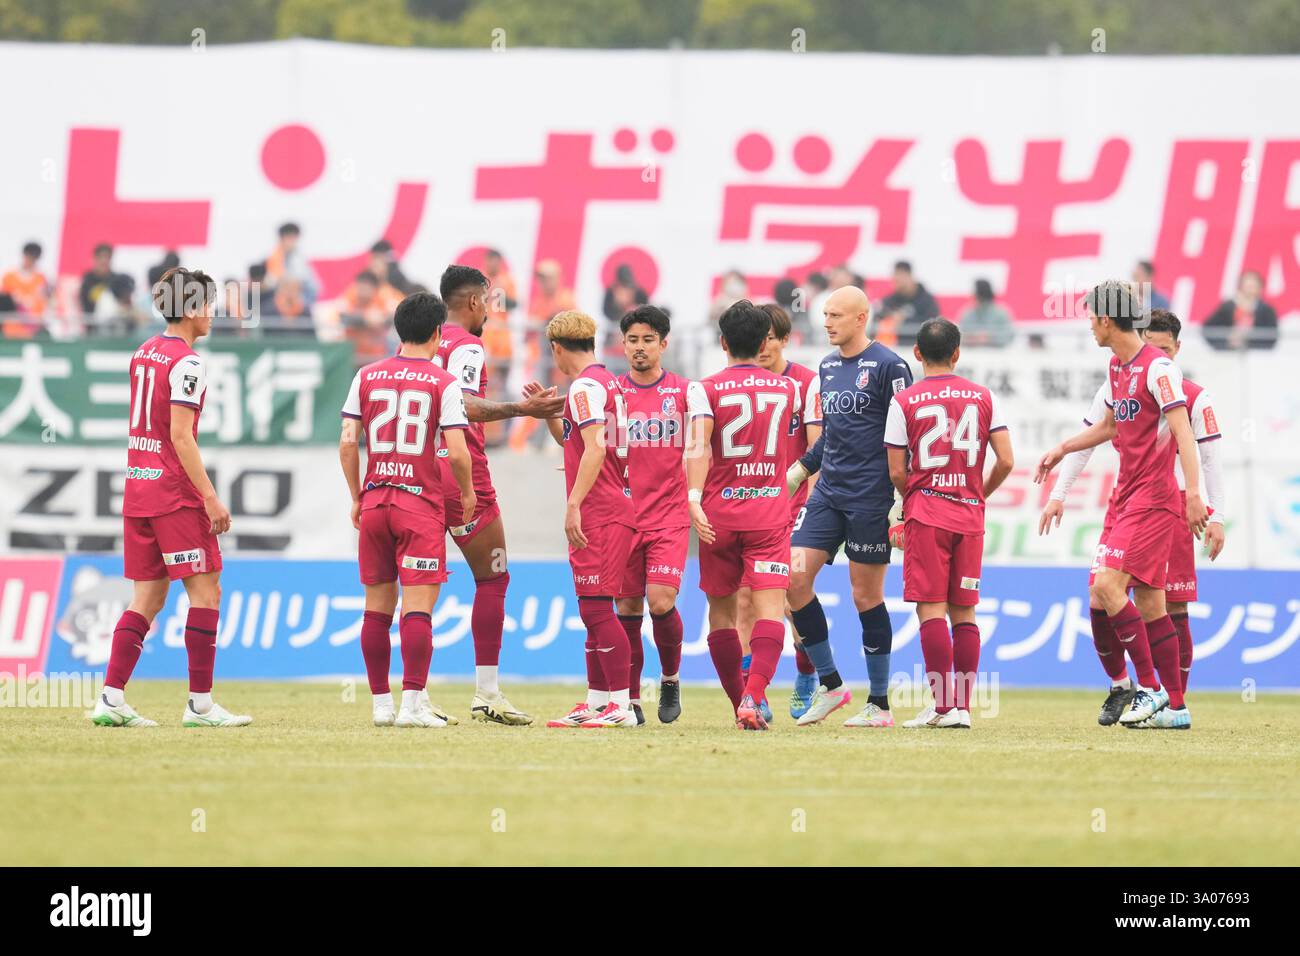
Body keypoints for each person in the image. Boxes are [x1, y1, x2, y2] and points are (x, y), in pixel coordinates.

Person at [1038, 309, 1225, 727]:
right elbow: (1105, 427)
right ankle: (1163, 702)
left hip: (1161, 501)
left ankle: (1153, 691)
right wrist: (1062, 455)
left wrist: (1204, 503)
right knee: (1134, 600)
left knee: (1133, 593)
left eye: (1092, 318)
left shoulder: (1165, 376)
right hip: (1126, 497)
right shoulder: (1118, 370)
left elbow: (1192, 443)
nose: (1088, 326)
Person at [91, 267, 251, 729]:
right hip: (173, 493)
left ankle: (111, 697)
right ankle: (200, 705)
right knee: (206, 591)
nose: (214, 313)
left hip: (138, 487)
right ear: (193, 308)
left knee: (147, 598)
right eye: (210, 303)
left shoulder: (144, 352)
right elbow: (181, 437)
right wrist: (211, 497)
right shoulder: (190, 362)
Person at [435, 265, 567, 724]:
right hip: (459, 472)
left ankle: (407, 699)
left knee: (414, 586)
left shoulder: (417, 344)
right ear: (474, 303)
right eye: (489, 303)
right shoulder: (468, 346)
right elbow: (463, 404)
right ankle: (486, 692)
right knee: (493, 579)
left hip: (413, 473)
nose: (492, 312)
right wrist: (521, 408)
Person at [339, 292, 476, 728]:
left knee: (376, 608)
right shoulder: (443, 382)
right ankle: (413, 704)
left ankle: (381, 705)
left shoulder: (367, 375)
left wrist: (357, 496)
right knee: (417, 607)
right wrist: (468, 493)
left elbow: (347, 441)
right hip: (418, 504)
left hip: (376, 500)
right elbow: (457, 452)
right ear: (438, 333)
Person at [785, 286, 913, 728]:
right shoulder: (827, 366)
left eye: (836, 315)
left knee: (865, 595)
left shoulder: (890, 366)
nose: (826, 322)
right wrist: (798, 472)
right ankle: (832, 685)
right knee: (793, 576)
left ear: (861, 318)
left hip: (870, 498)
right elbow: (832, 437)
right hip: (828, 494)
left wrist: (901, 502)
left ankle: (879, 704)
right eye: (824, 314)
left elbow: (905, 437)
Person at [884, 318, 1014, 728]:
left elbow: (896, 471)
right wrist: (978, 493)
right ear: (957, 353)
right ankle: (961, 707)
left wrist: (912, 501)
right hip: (969, 516)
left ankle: (942, 706)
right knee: (965, 613)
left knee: (931, 611)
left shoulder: (903, 401)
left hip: (927, 513)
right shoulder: (983, 397)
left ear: (917, 353)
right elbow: (1007, 460)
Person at [686, 300, 799, 730]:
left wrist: (694, 498)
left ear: (723, 342)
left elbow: (697, 446)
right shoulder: (787, 389)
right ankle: (755, 696)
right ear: (763, 341)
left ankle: (740, 703)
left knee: (722, 612)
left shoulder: (705, 388)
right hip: (770, 513)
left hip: (718, 516)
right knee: (770, 610)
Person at [537, 310, 638, 728]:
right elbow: (577, 440)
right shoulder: (608, 382)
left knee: (598, 609)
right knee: (592, 608)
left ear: (557, 349)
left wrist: (574, 503)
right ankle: (598, 702)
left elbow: (595, 448)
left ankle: (621, 706)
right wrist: (544, 413)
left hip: (601, 510)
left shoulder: (583, 386)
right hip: (611, 506)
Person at [737, 302, 822, 722]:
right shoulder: (737, 385)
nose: (764, 345)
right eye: (759, 338)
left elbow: (816, 450)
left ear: (784, 339)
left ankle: (806, 670)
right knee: (744, 602)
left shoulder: (805, 384)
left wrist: (813, 504)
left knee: (789, 599)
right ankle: (757, 692)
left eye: (771, 337)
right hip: (746, 508)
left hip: (795, 508)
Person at [613, 305, 689, 725]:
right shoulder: (611, 394)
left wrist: (697, 497)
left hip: (669, 516)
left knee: (660, 602)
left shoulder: (682, 392)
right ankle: (629, 699)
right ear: (622, 345)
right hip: (623, 516)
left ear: (663, 344)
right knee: (627, 608)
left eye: (647, 340)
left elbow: (702, 448)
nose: (639, 348)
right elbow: (590, 447)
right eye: (632, 340)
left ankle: (671, 678)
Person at [1203, 270, 1278, 350]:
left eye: (1253, 286)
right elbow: (1209, 329)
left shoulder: (1267, 310)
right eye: (1247, 286)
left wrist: (1249, 342)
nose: (1250, 290)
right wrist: (1226, 342)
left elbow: (1271, 336)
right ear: (1240, 287)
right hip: (1227, 355)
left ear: (1260, 289)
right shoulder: (1227, 308)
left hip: (1255, 356)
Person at [876, 260, 939, 349]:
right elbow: (878, 316)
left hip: (921, 349)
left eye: (899, 278)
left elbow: (934, 324)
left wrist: (904, 320)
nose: (896, 282)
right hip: (894, 348)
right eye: (895, 279)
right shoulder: (891, 300)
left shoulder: (926, 300)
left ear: (909, 276)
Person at [957, 279, 1015, 348]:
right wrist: (973, 338)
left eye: (975, 292)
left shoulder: (1000, 313)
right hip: (972, 355)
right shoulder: (968, 313)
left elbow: (1009, 335)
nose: (972, 295)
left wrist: (989, 338)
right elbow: (959, 335)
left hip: (997, 355)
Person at [2, 241, 51, 318]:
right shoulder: (9, 277)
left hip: (33, 324)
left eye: (33, 259)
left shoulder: (41, 279)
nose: (30, 261)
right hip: (10, 324)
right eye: (28, 257)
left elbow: (43, 302)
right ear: (24, 255)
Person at [79, 243, 119, 317]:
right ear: (94, 258)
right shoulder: (87, 279)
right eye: (100, 257)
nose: (103, 261)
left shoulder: (116, 280)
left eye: (107, 257)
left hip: (111, 323)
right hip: (91, 322)